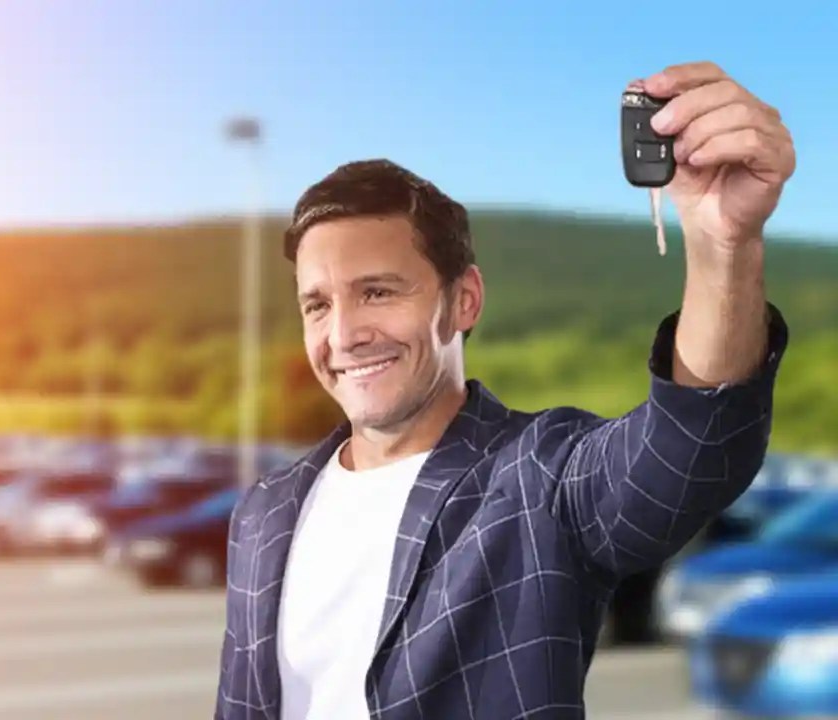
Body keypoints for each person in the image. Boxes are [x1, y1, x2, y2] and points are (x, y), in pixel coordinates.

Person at [214, 61, 795, 720]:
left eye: (377, 291)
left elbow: (690, 447)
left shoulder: (538, 479)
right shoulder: (264, 512)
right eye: (317, 305)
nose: (343, 334)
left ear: (464, 300)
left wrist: (725, 243)